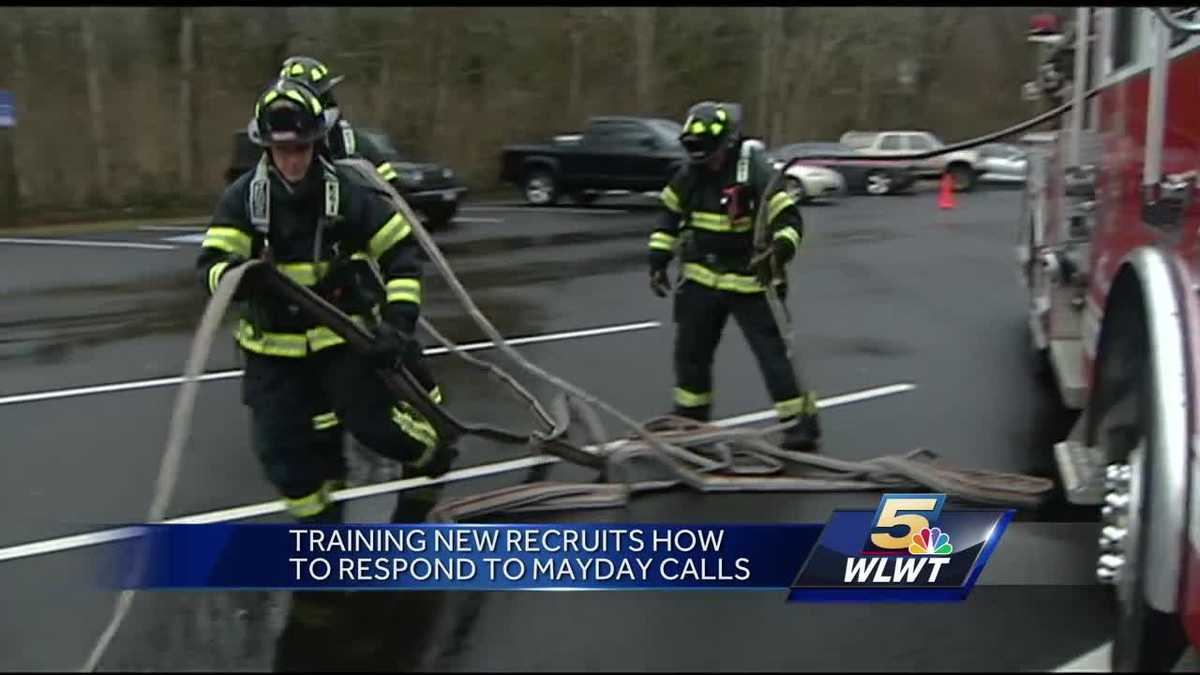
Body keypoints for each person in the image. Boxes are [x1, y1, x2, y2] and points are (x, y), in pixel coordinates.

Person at [195, 78, 455, 523]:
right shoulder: (244, 200)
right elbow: (211, 265)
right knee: (282, 452)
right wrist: (239, 280)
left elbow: (401, 258)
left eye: (301, 148)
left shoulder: (348, 194)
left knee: (379, 427)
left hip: (344, 340)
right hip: (272, 351)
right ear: (265, 148)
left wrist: (397, 324)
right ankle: (322, 535)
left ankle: (432, 458)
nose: (293, 160)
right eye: (282, 151)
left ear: (317, 142)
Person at [648, 100, 822, 452]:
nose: (705, 161)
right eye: (696, 152)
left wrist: (779, 250)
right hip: (700, 278)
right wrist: (657, 259)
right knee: (690, 354)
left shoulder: (753, 170)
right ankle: (691, 420)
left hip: (750, 280)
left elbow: (789, 220)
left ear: (727, 144)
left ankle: (799, 424)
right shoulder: (690, 175)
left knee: (773, 355)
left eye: (710, 153)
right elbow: (667, 218)